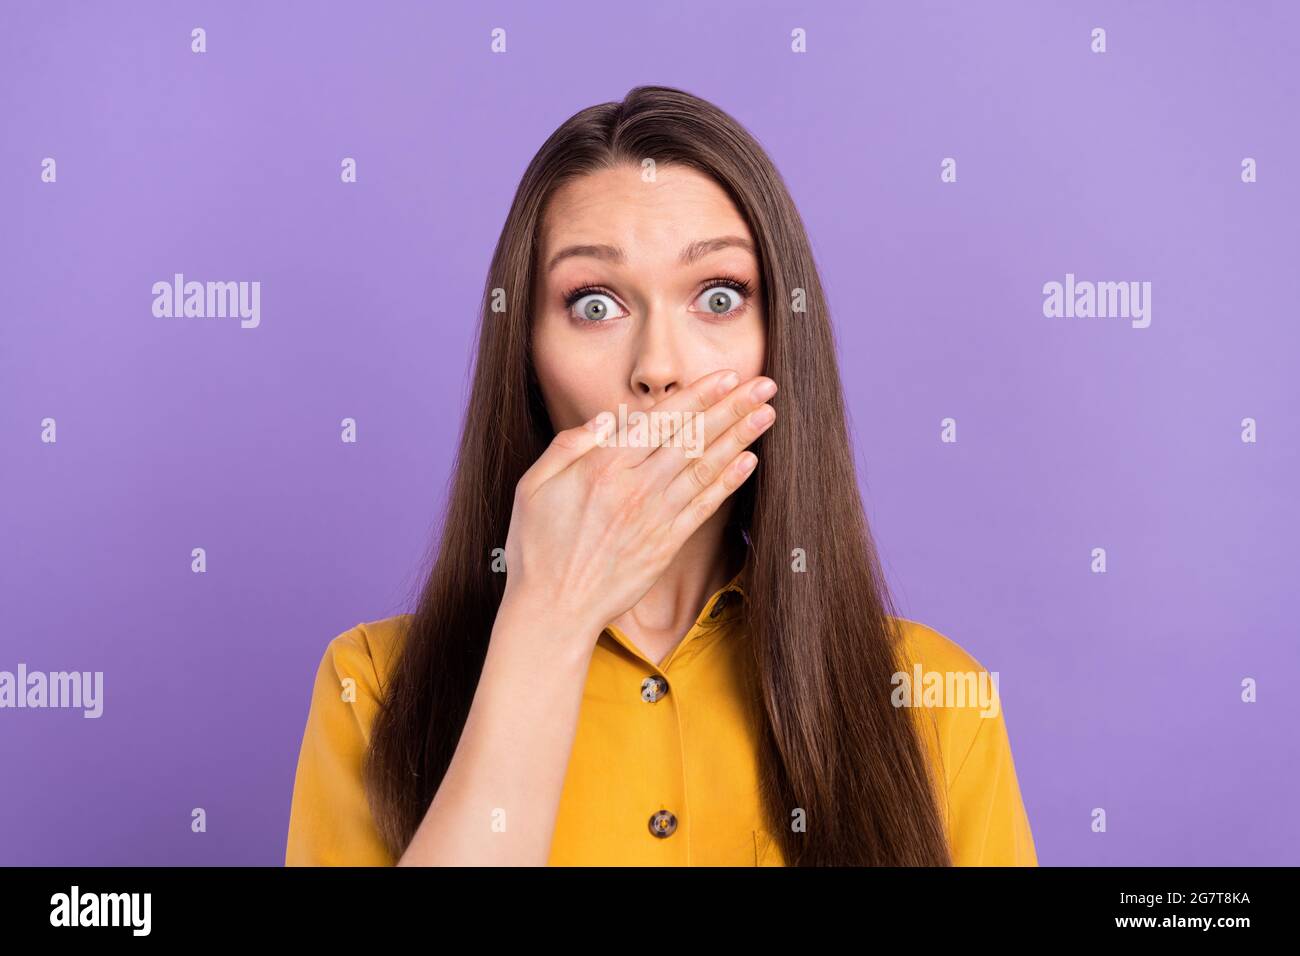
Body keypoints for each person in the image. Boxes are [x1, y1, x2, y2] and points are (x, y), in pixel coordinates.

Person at [286, 85, 1038, 867]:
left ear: (781, 340)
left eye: (718, 296)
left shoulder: (937, 699)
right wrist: (547, 618)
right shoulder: (372, 687)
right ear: (527, 355)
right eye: (594, 305)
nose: (657, 370)